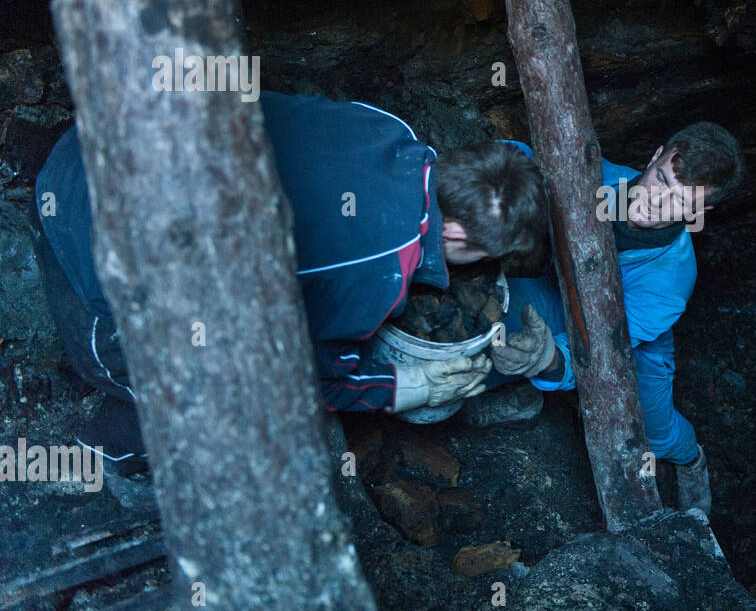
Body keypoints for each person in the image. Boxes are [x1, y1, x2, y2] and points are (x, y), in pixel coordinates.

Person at [31, 90, 549, 472]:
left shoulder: (389, 126)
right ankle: (107, 454)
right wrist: (404, 387)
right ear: (456, 232)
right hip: (88, 223)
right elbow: (297, 379)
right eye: (484, 253)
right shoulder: (379, 275)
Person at [470, 122, 744, 516]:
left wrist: (549, 358)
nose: (656, 203)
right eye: (660, 179)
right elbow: (522, 159)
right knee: (492, 317)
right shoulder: (600, 177)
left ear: (701, 212)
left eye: (680, 203)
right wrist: (476, 168)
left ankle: (689, 459)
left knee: (655, 434)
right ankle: (527, 397)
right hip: (560, 292)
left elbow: (601, 348)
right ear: (654, 156)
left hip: (635, 343)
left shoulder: (668, 283)